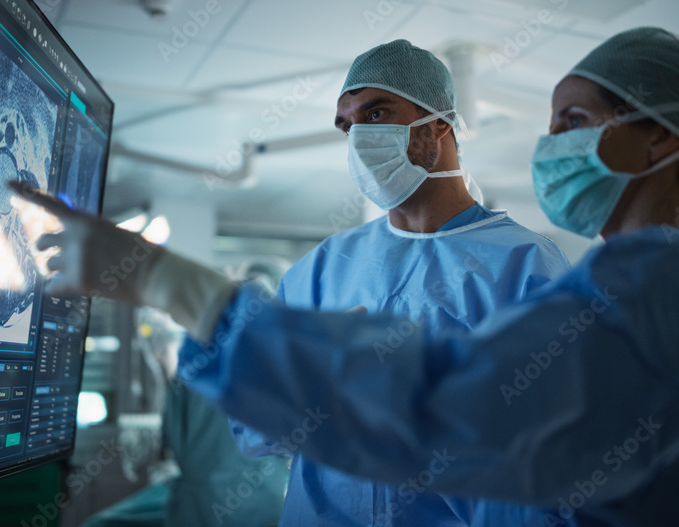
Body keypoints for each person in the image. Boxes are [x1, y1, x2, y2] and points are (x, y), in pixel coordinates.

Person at [12, 27, 679, 526]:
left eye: (574, 122)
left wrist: (173, 285)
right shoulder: (676, 282)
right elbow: (268, 425)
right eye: (344, 124)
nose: (554, 147)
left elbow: (458, 409)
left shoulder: (646, 287)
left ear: (660, 140)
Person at [221, 38, 571, 527]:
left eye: (377, 114)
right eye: (348, 125)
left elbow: (563, 444)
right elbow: (251, 427)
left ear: (439, 122)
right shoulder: (319, 270)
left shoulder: (526, 265)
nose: (359, 137)